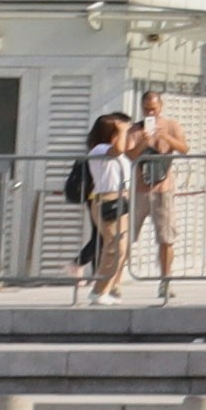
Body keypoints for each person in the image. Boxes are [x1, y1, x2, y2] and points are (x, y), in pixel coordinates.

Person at [129, 86, 190, 295]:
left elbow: (184, 148)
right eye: (147, 109)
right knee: (125, 236)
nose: (150, 113)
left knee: (166, 238)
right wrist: (143, 142)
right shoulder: (135, 129)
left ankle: (165, 281)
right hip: (139, 189)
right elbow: (129, 155)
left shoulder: (171, 125)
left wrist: (167, 138)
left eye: (154, 109)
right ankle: (113, 280)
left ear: (160, 107)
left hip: (163, 188)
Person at [76, 111, 140, 299]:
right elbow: (117, 150)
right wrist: (121, 129)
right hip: (108, 199)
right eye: (122, 132)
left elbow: (126, 149)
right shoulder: (99, 149)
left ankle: (108, 286)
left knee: (122, 247)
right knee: (114, 248)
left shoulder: (115, 152)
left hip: (120, 197)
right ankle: (98, 291)